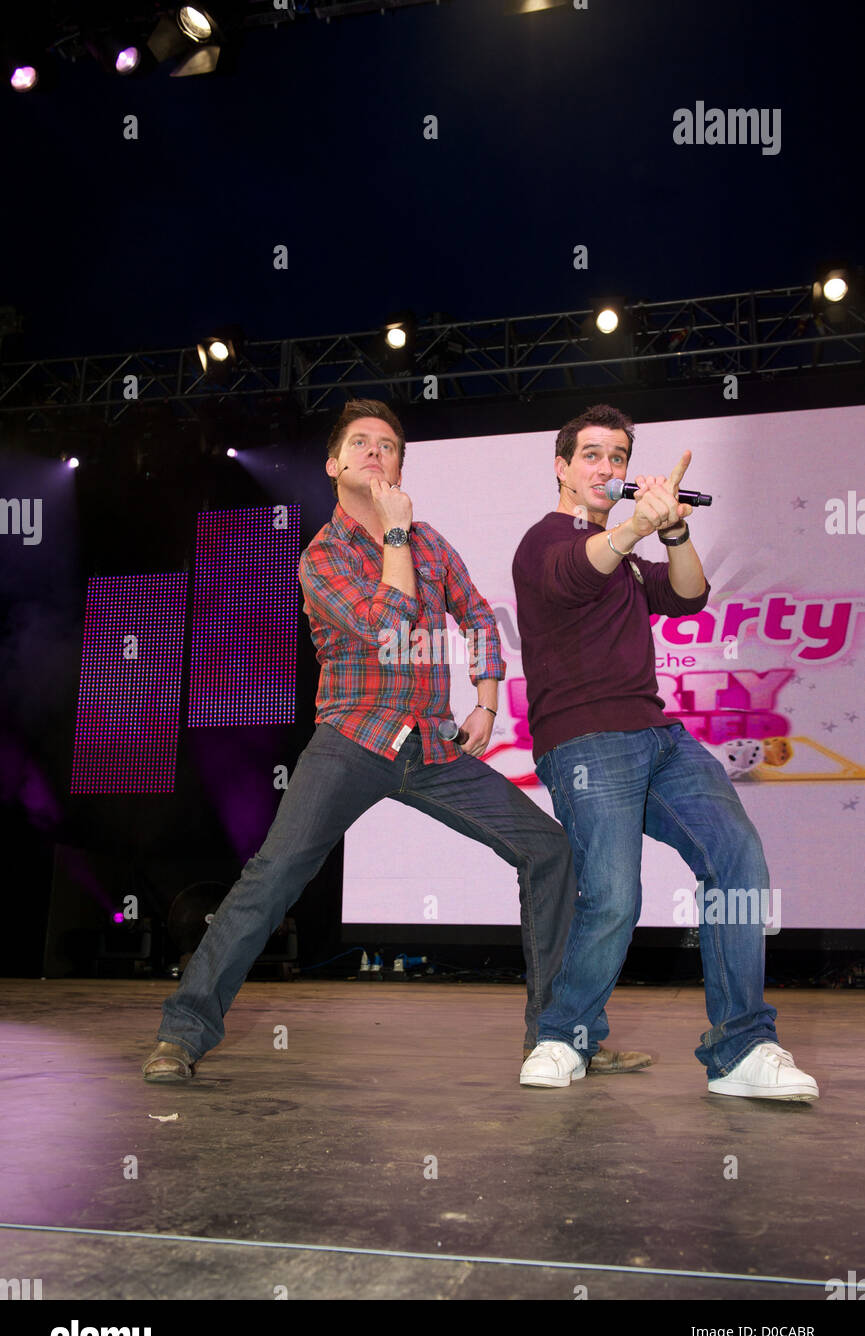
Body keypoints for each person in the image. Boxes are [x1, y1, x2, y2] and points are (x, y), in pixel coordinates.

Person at [142, 399, 648, 1083]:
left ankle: (561, 1037)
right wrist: (397, 537)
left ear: (400, 465)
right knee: (270, 880)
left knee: (547, 848)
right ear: (334, 465)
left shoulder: (432, 541)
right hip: (352, 740)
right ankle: (183, 1032)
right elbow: (390, 618)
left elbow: (474, 613)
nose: (376, 453)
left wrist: (486, 701)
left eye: (388, 446)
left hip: (432, 749)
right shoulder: (322, 558)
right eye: (360, 443)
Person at [512, 404, 818, 1101]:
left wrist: (674, 528)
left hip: (659, 739)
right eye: (591, 455)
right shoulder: (546, 543)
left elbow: (687, 595)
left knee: (737, 858)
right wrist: (636, 525)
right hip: (586, 741)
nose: (606, 468)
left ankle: (741, 1047)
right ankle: (563, 1035)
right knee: (615, 895)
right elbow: (575, 574)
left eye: (617, 457)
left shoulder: (627, 559)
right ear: (561, 467)